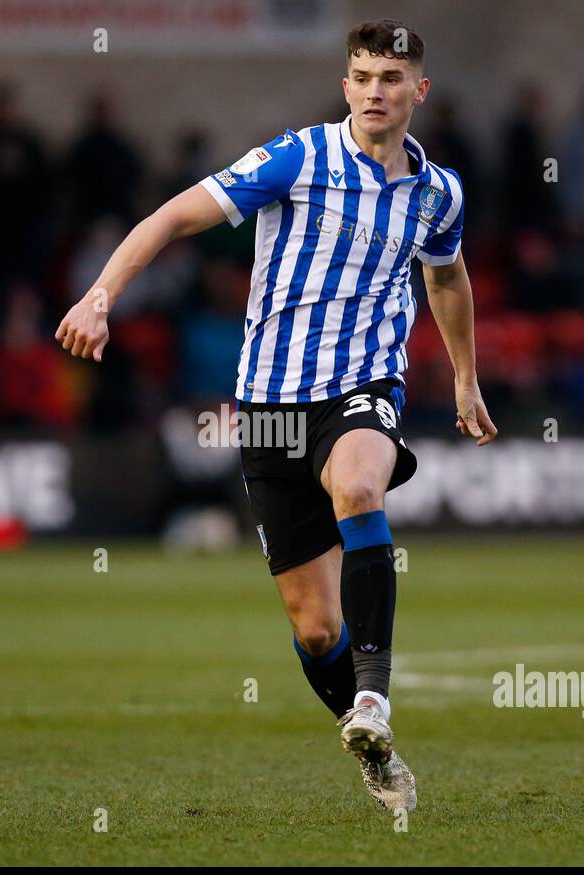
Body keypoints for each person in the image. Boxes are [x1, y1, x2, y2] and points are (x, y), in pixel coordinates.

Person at [55, 18, 497, 812]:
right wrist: (101, 295)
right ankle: (372, 747)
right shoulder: (296, 158)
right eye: (361, 76)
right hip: (267, 409)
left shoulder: (438, 192)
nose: (374, 91)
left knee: (361, 489)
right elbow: (171, 218)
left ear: (417, 93)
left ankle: (373, 698)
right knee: (315, 627)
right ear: (345, 86)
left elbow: (449, 279)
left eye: (390, 79)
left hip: (362, 388)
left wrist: (465, 379)